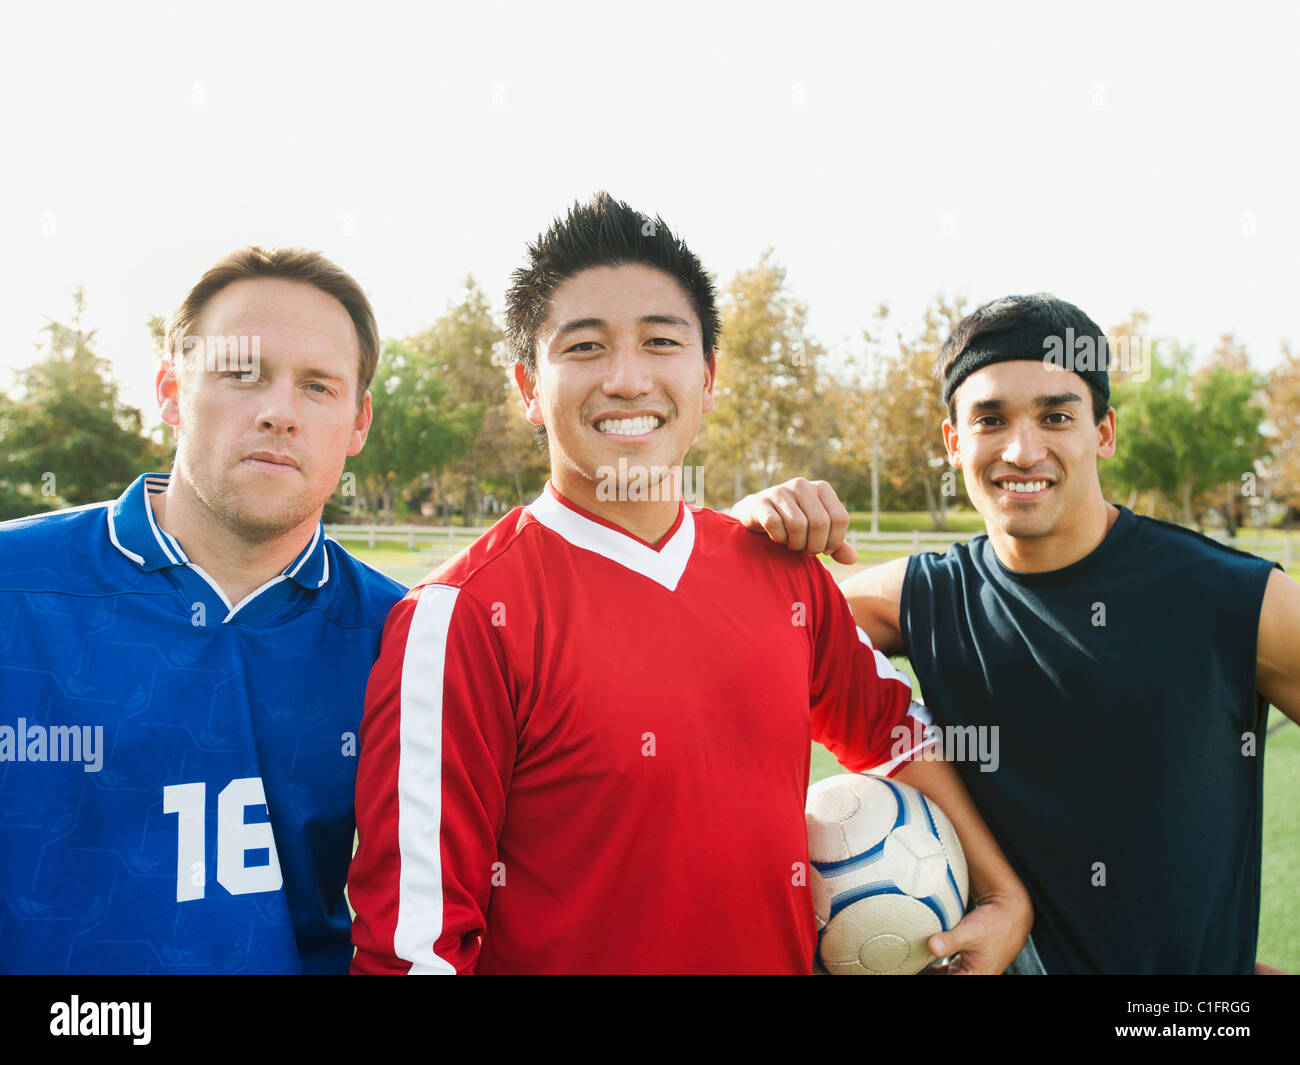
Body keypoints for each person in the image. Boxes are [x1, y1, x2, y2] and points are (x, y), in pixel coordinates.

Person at [347, 193, 1032, 975]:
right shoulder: (460, 617)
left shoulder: (779, 570)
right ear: (527, 387)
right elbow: (413, 954)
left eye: (661, 341)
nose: (628, 379)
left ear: (707, 376)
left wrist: (1002, 895)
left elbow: (893, 729)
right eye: (584, 347)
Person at [734, 293, 1300, 974]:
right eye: (991, 419)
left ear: (1104, 432)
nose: (1022, 449)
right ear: (953, 442)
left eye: (1056, 416)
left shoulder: (1235, 598)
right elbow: (741, 632)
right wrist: (749, 534)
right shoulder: (921, 596)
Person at [0, 248, 405, 974]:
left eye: (317, 386)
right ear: (170, 390)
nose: (280, 412)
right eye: (242, 372)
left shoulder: (402, 634)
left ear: (358, 422)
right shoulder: (14, 588)